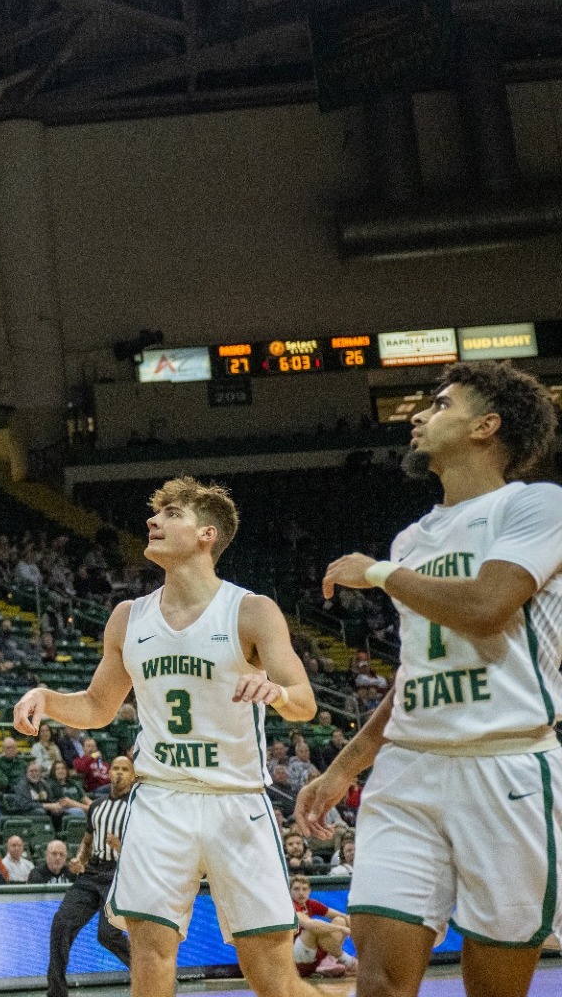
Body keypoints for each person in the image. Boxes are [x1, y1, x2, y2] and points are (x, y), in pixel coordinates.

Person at [298, 361, 562, 997]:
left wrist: (381, 574)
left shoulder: (536, 504)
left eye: (440, 404)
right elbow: (415, 675)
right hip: (408, 773)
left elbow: (485, 606)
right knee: (380, 983)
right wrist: (344, 768)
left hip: (507, 770)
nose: (418, 416)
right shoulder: (411, 538)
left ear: (485, 426)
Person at [13, 478, 321, 997]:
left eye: (170, 514)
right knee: (150, 957)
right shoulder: (127, 618)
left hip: (236, 800)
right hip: (160, 801)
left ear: (206, 534)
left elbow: (305, 701)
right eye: (155, 514)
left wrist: (275, 692)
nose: (152, 522)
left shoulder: (250, 610)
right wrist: (48, 698)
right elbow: (96, 706)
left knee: (270, 975)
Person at [46, 756, 135, 997]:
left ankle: (149, 975)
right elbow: (87, 841)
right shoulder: (96, 806)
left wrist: (122, 846)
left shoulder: (138, 807)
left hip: (119, 874)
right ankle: (56, 992)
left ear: (133, 775)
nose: (118, 773)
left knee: (108, 935)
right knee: (61, 923)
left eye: (124, 769)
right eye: (115, 768)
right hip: (92, 872)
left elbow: (148, 848)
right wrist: (78, 860)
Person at [287, 876, 355, 980]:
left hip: (311, 957)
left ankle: (327, 962)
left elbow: (343, 916)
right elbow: (310, 924)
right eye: (296, 889)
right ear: (290, 892)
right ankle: (349, 962)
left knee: (340, 920)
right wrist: (342, 929)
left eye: (304, 889)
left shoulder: (310, 903)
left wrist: (356, 930)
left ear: (309, 891)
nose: (301, 893)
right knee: (313, 929)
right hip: (296, 961)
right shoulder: (290, 905)